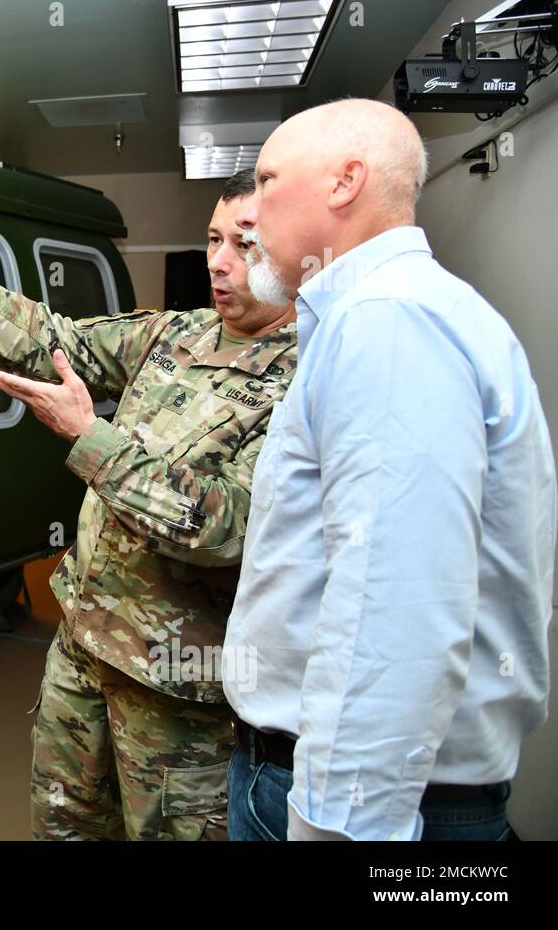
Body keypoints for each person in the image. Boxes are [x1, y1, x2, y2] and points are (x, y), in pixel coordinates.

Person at [0, 170, 297, 839]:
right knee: (66, 826)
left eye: (246, 245)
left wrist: (89, 438)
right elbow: (57, 341)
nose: (218, 261)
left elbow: (225, 528)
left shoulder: (306, 377)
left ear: (294, 252)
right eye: (212, 240)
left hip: (175, 688)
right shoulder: (177, 332)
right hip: (84, 646)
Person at [224, 97, 556, 841]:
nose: (250, 216)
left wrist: (336, 827)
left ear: (345, 183)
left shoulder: (388, 322)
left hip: (361, 805)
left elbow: (395, 603)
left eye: (269, 179)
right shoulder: (382, 315)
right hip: (352, 782)